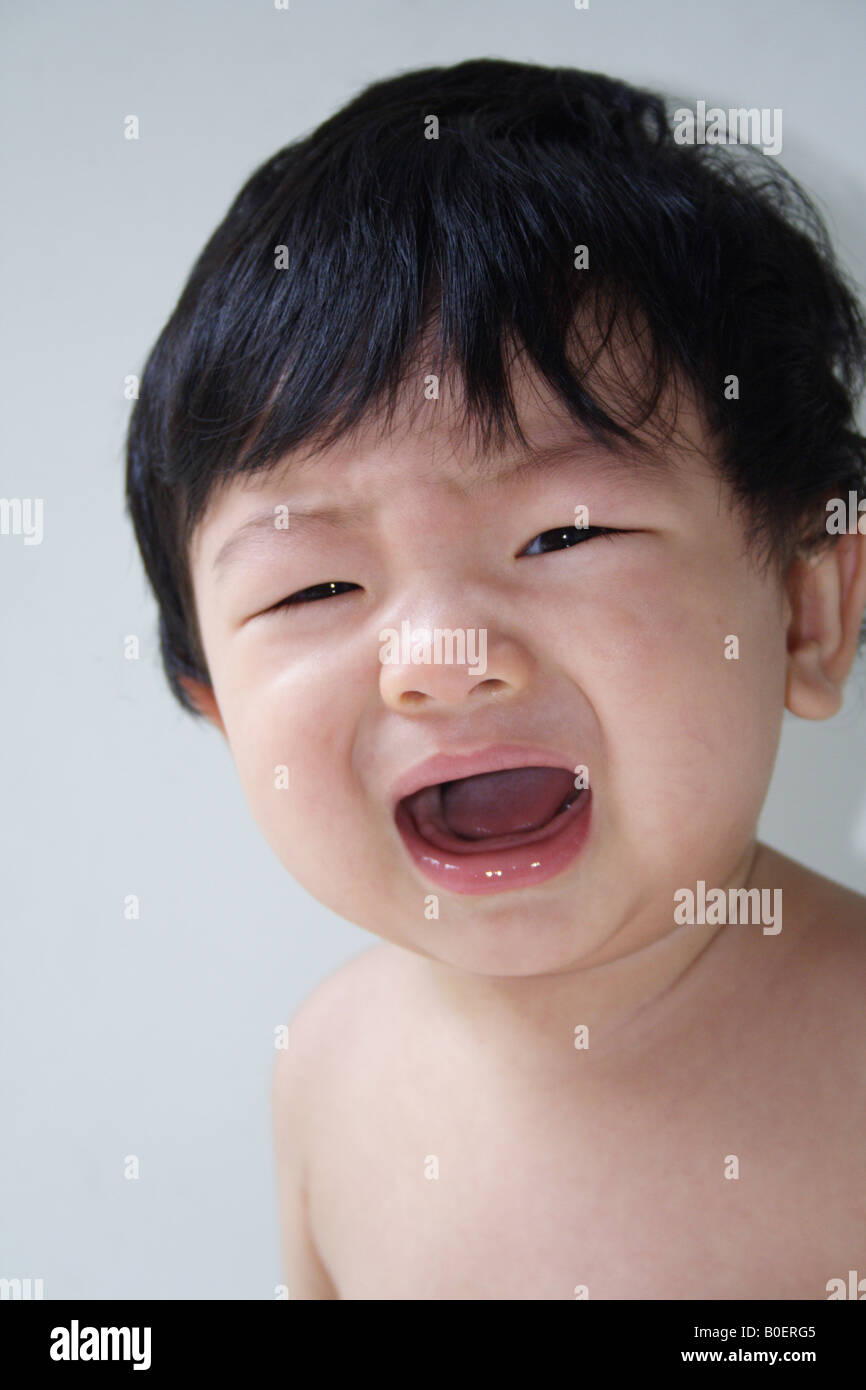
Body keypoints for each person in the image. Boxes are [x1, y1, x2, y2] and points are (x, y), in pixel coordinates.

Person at [125, 58, 866, 1299]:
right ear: (214, 701)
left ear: (802, 610)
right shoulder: (323, 1068)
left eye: (562, 535)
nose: (440, 663)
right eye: (314, 589)